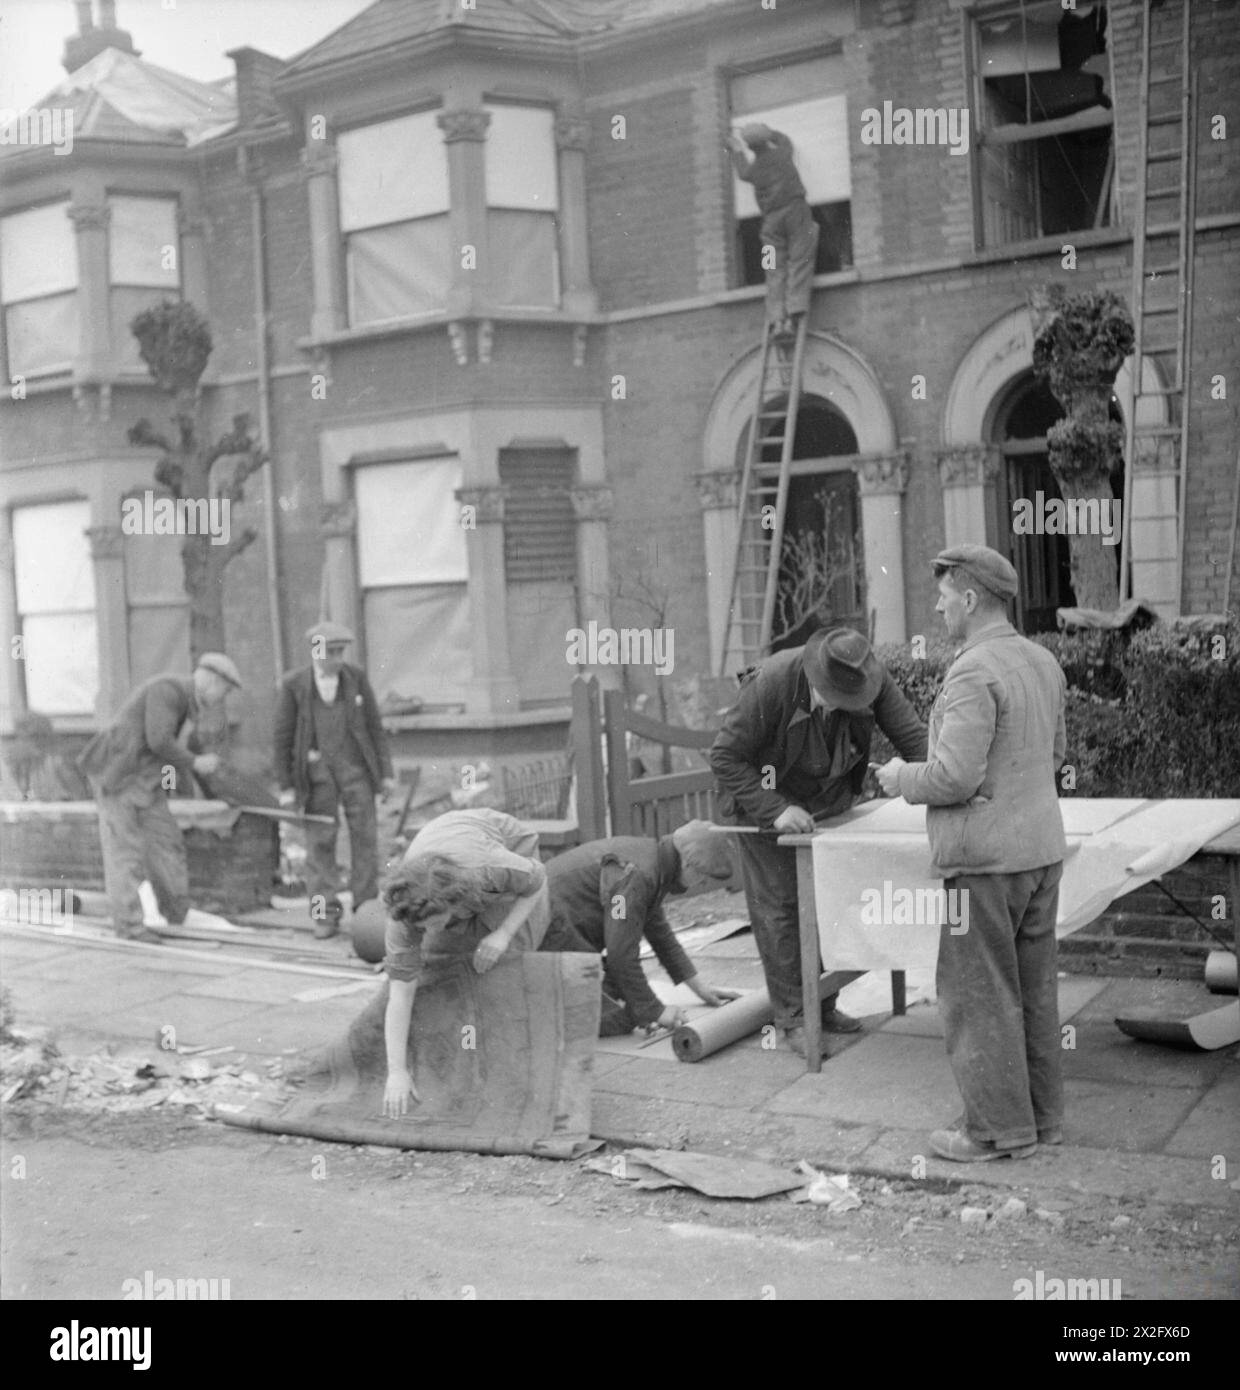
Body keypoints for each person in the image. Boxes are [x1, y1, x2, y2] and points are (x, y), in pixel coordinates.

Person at [875, 544, 1068, 1162]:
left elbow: (953, 778)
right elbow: (1055, 757)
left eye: (942, 595)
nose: (936, 607)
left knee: (977, 995)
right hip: (1040, 853)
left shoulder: (972, 671)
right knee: (1033, 991)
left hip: (984, 865)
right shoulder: (1042, 661)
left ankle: (992, 1132)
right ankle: (1042, 1120)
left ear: (970, 598)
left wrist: (902, 776)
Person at [710, 627, 928, 1058]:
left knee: (829, 899)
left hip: (825, 799)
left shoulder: (868, 677)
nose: (848, 708)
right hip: (764, 801)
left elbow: (916, 741)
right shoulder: (772, 683)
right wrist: (775, 810)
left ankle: (824, 1005)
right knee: (781, 910)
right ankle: (793, 1018)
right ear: (815, 678)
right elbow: (724, 757)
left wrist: (929, 780)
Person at [380, 807, 550, 1117]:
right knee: (443, 961)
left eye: (435, 921)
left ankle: (513, 1063)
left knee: (505, 961)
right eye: (422, 927)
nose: (427, 931)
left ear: (455, 903)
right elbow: (400, 995)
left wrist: (503, 933)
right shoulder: (403, 912)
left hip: (510, 851)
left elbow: (536, 880)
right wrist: (397, 1072)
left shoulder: (492, 868)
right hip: (451, 855)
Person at [77, 653, 241, 944]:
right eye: (224, 691)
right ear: (212, 681)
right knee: (125, 854)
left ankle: (176, 915)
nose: (222, 699)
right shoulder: (168, 690)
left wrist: (175, 778)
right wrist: (195, 763)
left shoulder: (185, 702)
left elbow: (161, 749)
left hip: (146, 784)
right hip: (120, 779)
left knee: (166, 843)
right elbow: (159, 740)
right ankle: (130, 928)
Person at [541, 820, 743, 1036]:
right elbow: (620, 954)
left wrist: (698, 987)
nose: (703, 883)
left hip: (559, 930)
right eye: (703, 875)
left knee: (627, 996)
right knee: (621, 1018)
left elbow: (659, 932)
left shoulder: (653, 861)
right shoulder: (637, 877)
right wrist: (654, 1011)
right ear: (686, 864)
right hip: (550, 934)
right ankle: (546, 1005)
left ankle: (554, 998)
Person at [274, 620, 394, 938]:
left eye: (341, 651)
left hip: (357, 774)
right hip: (316, 780)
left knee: (366, 841)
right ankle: (323, 916)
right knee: (319, 846)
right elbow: (282, 738)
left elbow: (375, 728)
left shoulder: (356, 679)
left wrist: (386, 775)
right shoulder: (294, 685)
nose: (338, 658)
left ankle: (366, 913)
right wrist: (286, 786)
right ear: (316, 651)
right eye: (332, 652)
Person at [726, 122, 819, 336]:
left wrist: (735, 148)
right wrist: (767, 131)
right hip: (796, 213)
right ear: (767, 139)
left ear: (751, 148)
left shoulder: (752, 171)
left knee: (773, 268)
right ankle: (793, 315)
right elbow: (783, 139)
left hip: (770, 224)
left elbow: (741, 171)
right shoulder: (783, 154)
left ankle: (777, 320)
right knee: (800, 259)